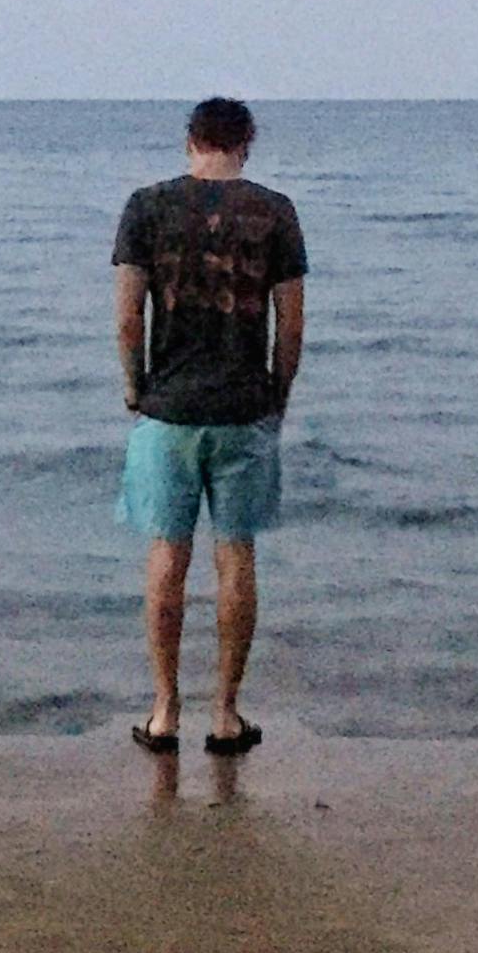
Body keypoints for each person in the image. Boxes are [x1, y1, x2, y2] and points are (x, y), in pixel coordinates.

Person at [112, 97, 307, 758]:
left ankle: (165, 711)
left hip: (168, 411)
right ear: (245, 144)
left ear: (189, 140)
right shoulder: (275, 211)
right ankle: (225, 713)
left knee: (167, 556)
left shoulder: (146, 207)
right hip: (243, 409)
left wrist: (136, 386)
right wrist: (277, 394)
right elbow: (292, 325)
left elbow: (128, 317)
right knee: (236, 557)